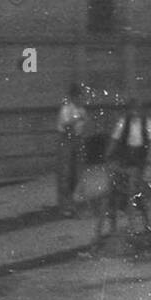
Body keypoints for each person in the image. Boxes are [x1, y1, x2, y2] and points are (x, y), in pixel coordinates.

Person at [56, 83, 89, 216]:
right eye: (77, 97)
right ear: (72, 97)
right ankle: (65, 206)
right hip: (67, 140)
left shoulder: (81, 110)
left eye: (80, 97)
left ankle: (74, 203)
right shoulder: (66, 109)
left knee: (77, 173)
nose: (79, 99)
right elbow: (66, 125)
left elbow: (85, 124)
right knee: (65, 173)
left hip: (78, 140)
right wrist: (77, 119)